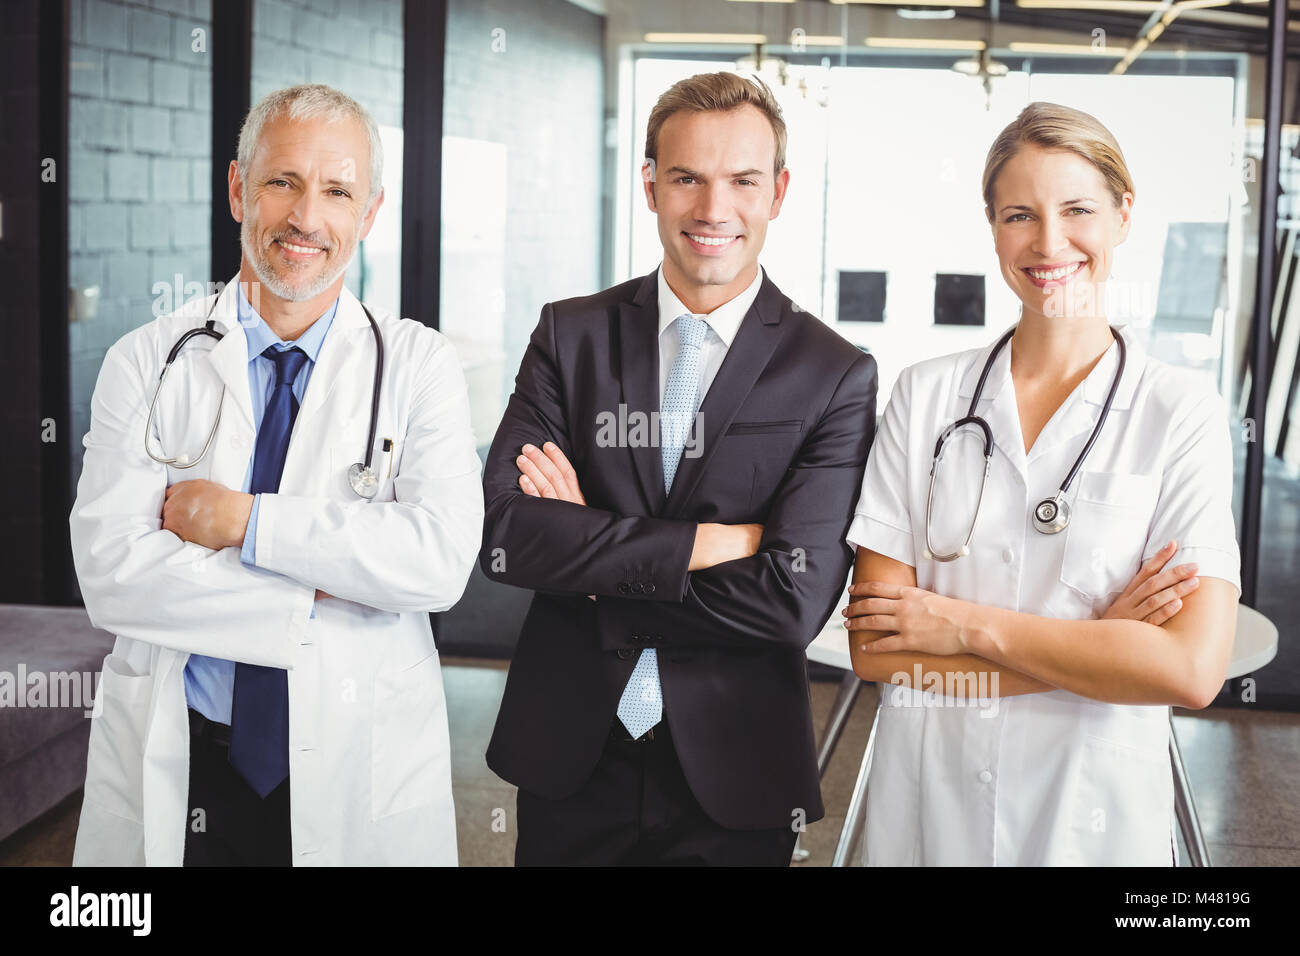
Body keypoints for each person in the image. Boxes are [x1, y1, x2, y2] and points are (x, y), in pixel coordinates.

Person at [69, 84, 483, 866]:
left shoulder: (419, 365)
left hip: (360, 757)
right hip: (186, 755)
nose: (306, 218)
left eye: (337, 191)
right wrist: (330, 585)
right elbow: (112, 574)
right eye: (282, 181)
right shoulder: (145, 361)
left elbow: (437, 563)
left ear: (370, 212)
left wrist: (243, 525)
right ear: (236, 188)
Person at [480, 72, 877, 866]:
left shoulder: (833, 372)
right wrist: (706, 546)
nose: (712, 209)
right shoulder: (572, 336)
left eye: (742, 181)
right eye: (688, 177)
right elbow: (507, 538)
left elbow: (791, 602)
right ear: (651, 185)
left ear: (779, 193)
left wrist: (592, 561)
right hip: (570, 759)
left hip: (737, 770)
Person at [842, 101, 1240, 866]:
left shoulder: (1177, 410)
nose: (1050, 242)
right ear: (992, 227)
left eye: (1078, 209)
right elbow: (876, 650)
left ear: (1124, 215)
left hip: (1090, 813)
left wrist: (960, 627)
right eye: (1020, 214)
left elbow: (1189, 671)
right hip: (929, 803)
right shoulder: (925, 396)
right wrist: (1100, 649)